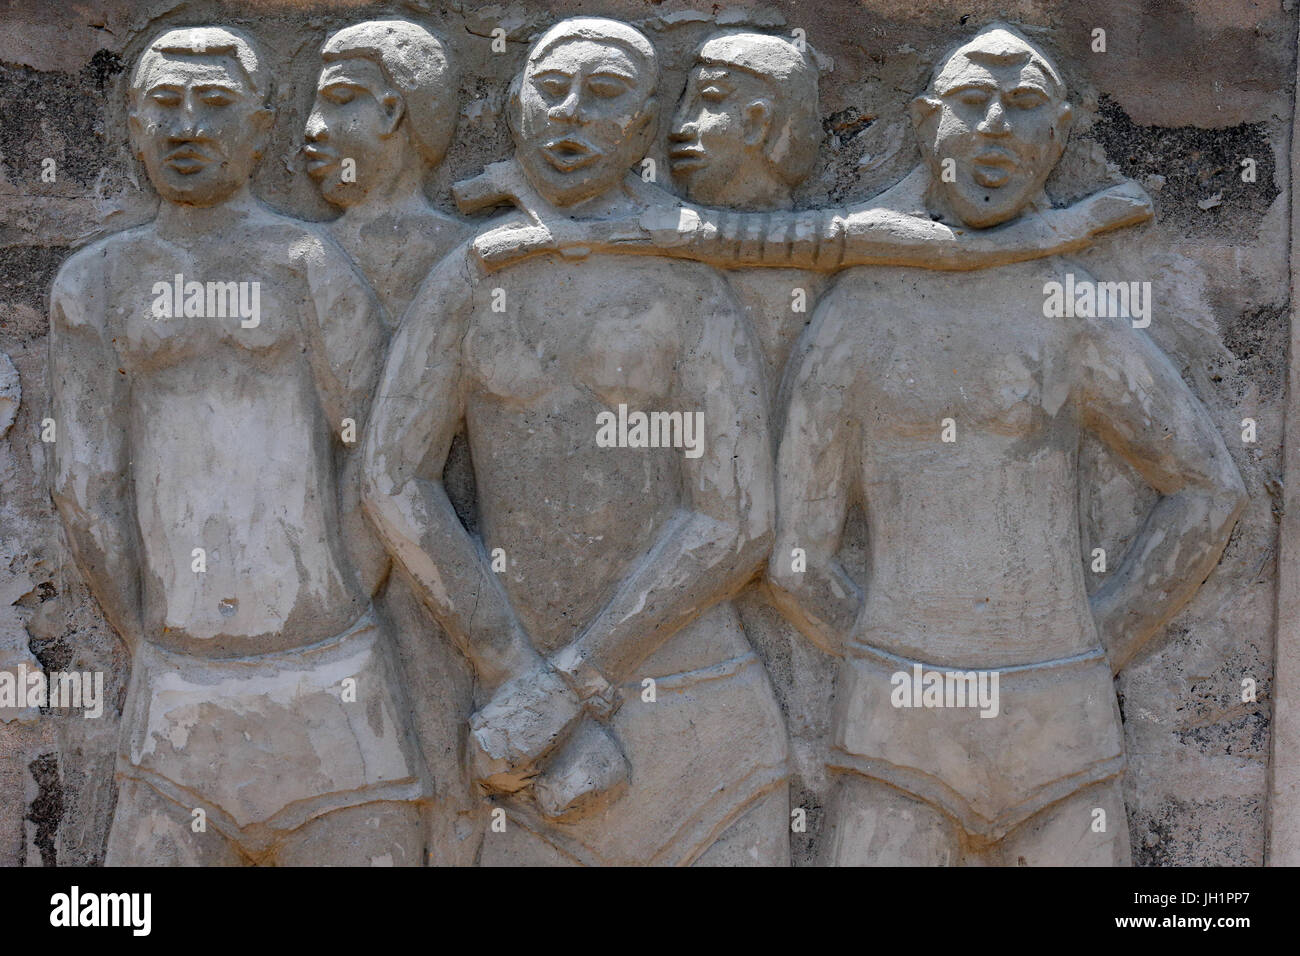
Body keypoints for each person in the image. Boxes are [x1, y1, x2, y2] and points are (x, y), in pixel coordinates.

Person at [767, 23, 1247, 865]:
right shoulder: (860, 312)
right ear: (925, 123)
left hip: (1060, 732)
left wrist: (1092, 647)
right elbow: (798, 560)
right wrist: (895, 665)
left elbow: (1206, 487)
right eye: (972, 103)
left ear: (1058, 137)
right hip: (896, 739)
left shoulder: (1065, 307)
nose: (996, 127)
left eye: (1025, 108)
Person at [51, 26, 425, 865]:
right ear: (136, 128)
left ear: (262, 129)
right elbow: (83, 487)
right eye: (166, 106)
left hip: (332, 682)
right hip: (176, 693)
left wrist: (327, 598)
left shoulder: (306, 263)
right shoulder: (98, 281)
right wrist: (158, 637)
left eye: (216, 105)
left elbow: (380, 455)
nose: (188, 128)